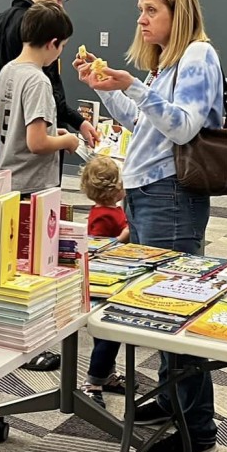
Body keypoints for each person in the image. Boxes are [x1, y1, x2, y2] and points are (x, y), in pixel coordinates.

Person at [75, 0, 225, 452]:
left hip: (171, 197)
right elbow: (143, 123)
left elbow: (183, 129)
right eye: (140, 9)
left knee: (175, 314)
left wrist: (136, 86)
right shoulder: (168, 63)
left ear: (178, 12)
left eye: (151, 10)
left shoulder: (199, 55)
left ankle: (196, 431)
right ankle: (170, 400)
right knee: (155, 310)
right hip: (148, 195)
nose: (141, 19)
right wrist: (106, 89)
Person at [0, 0, 98, 147]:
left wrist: (0, 85)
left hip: (13, 129)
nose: (60, 5)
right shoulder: (41, 27)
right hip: (44, 128)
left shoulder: (0, 20)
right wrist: (74, 127)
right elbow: (52, 90)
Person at [0, 1, 81, 194]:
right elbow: (37, 143)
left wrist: (53, 133)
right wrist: (68, 141)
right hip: (33, 185)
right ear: (52, 43)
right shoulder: (38, 81)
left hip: (9, 180)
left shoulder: (7, 70)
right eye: (62, 46)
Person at [79, 155, 131, 401]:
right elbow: (97, 247)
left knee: (110, 334)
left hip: (117, 275)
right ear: (114, 189)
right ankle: (93, 382)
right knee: (109, 333)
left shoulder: (111, 209)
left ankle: (107, 375)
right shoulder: (102, 215)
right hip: (104, 278)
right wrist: (124, 236)